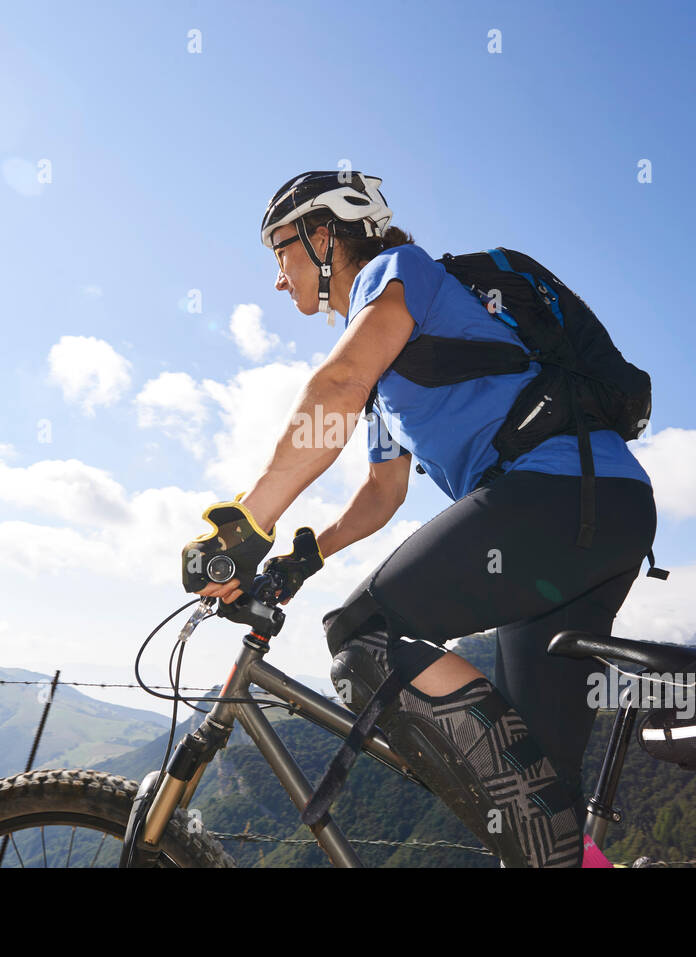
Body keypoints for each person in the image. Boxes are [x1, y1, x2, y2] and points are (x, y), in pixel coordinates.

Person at [183, 171, 658, 867]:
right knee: (541, 817)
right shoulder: (390, 375)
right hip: (593, 518)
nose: (277, 281)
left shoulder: (395, 273)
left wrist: (247, 526)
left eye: (277, 250)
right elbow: (382, 491)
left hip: (554, 496)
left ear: (322, 236)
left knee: (360, 633)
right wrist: (305, 554)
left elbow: (337, 384)